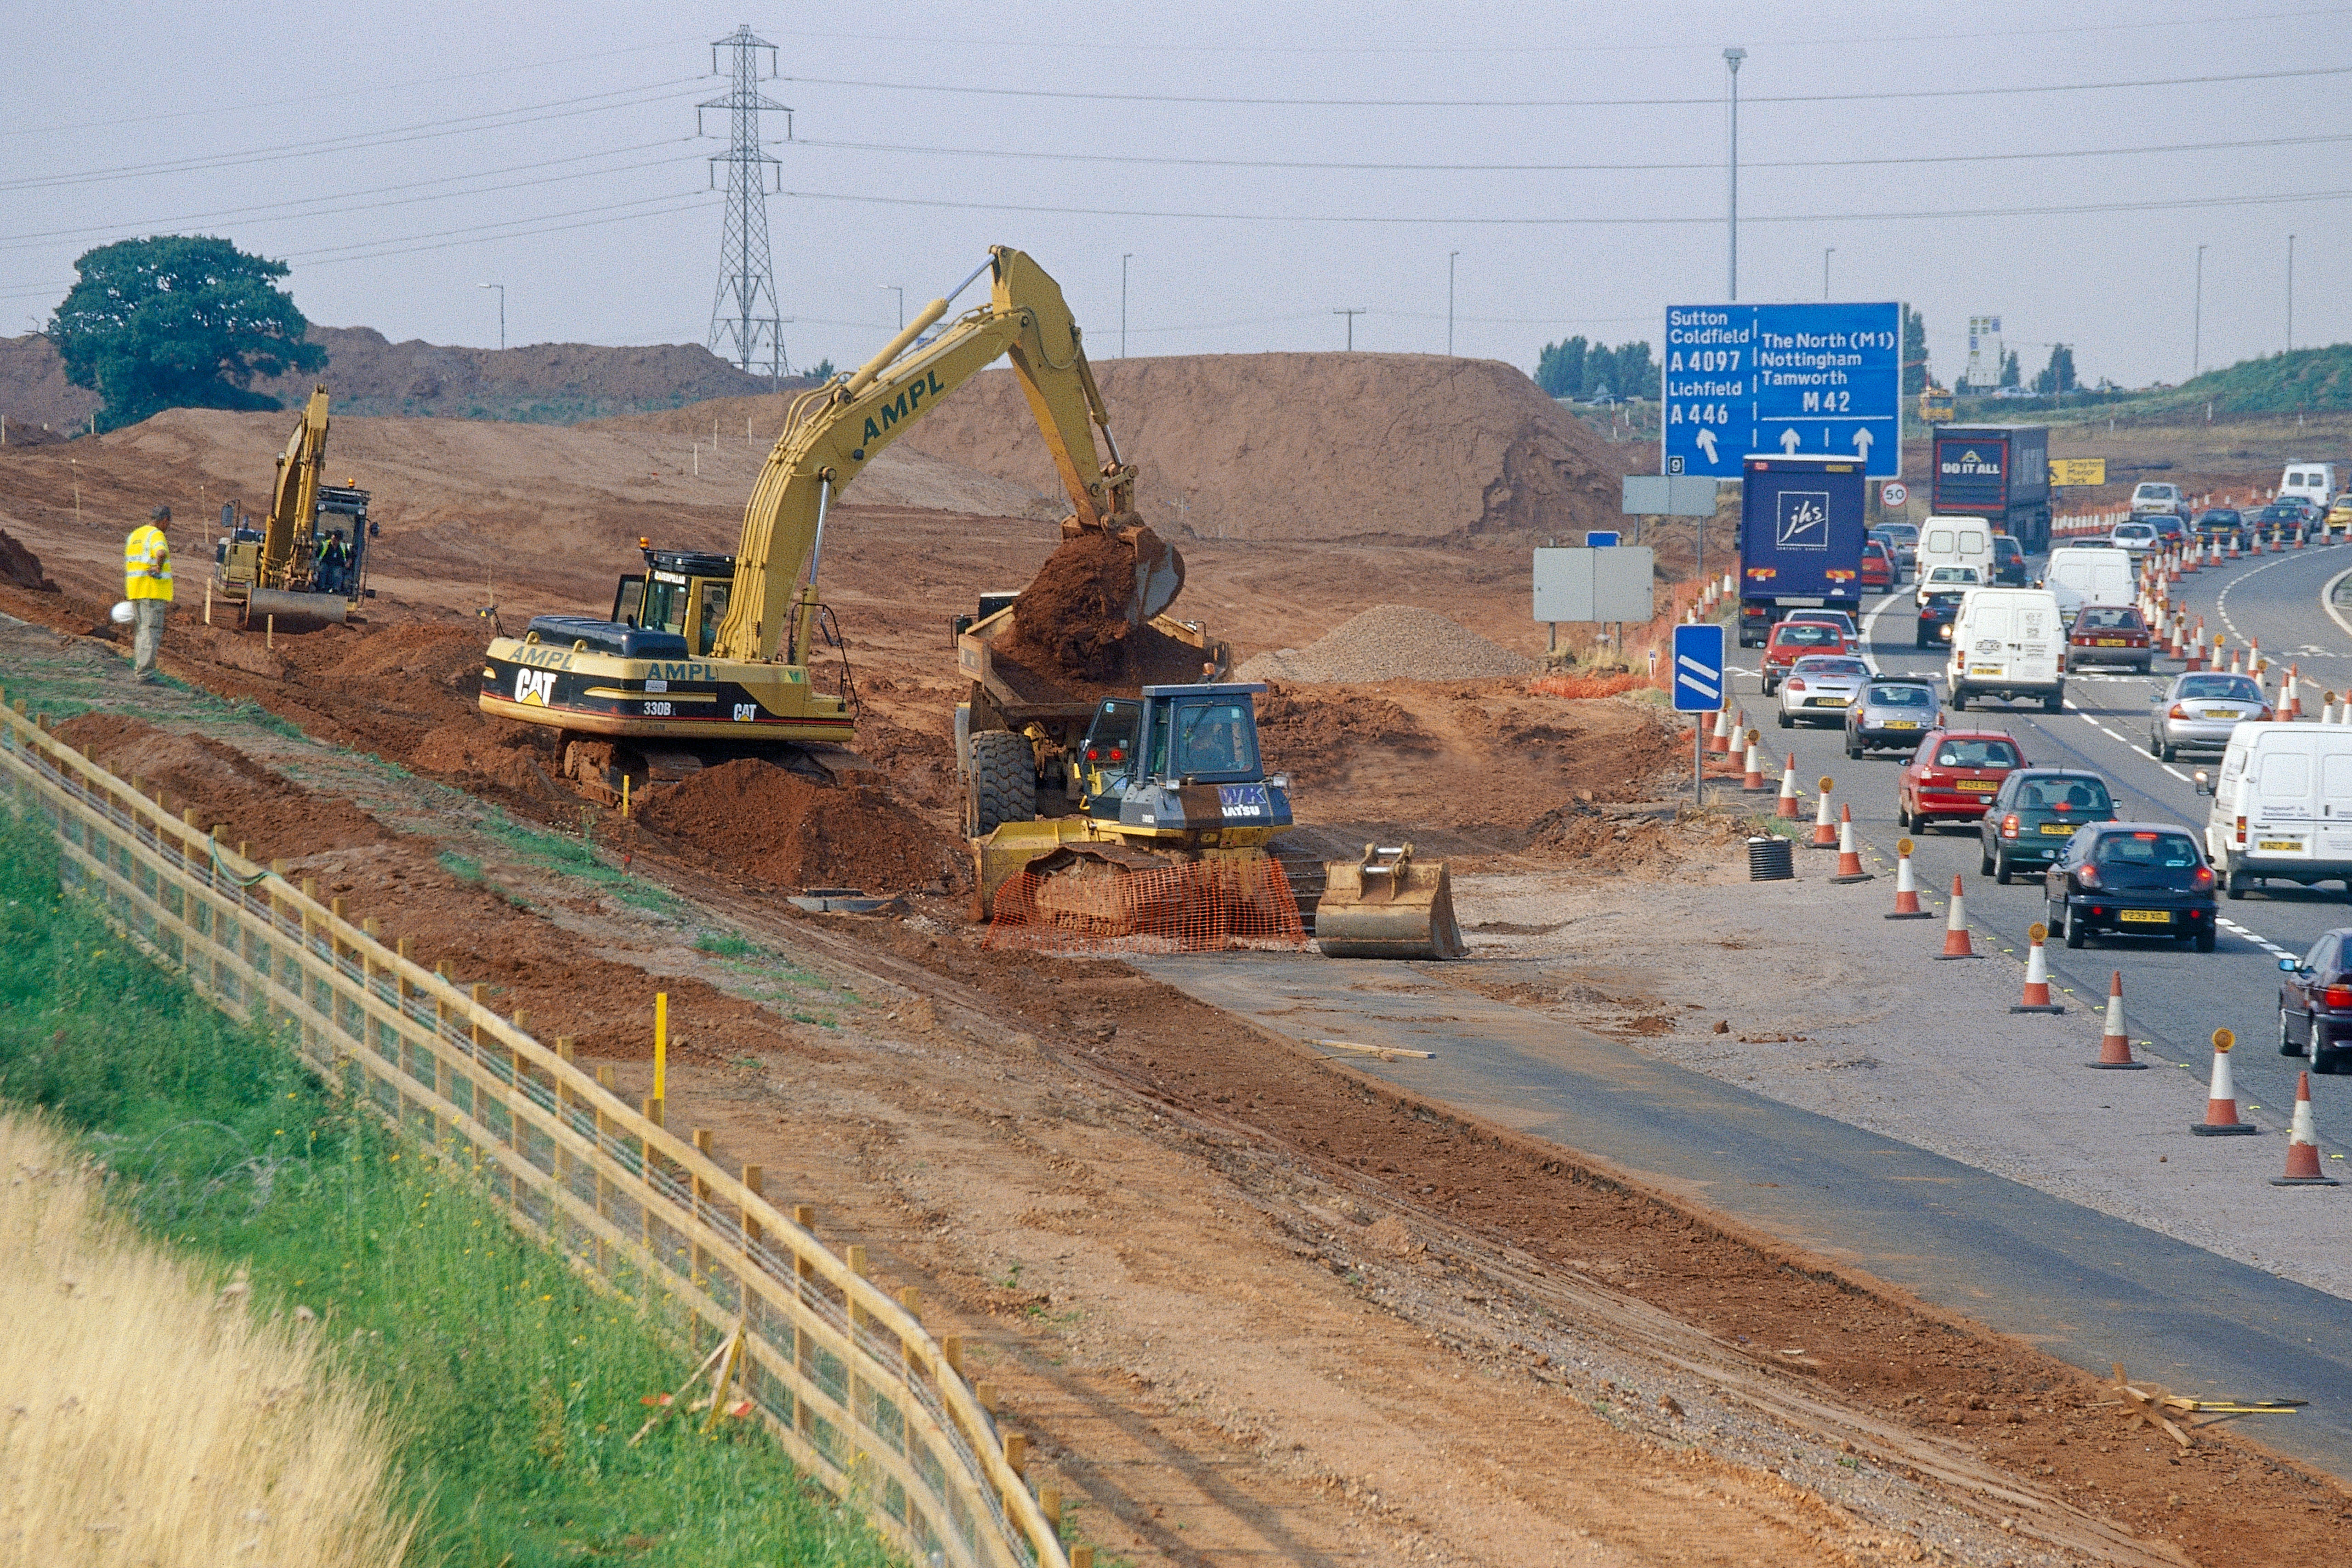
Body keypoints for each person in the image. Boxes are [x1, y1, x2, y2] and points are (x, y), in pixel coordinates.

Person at [123, 504, 173, 683]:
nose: (168, 527)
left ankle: (140, 670)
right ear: (165, 520)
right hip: (152, 592)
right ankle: (145, 675)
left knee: (142, 632)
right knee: (151, 633)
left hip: (135, 590)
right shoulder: (156, 534)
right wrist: (158, 568)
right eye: (168, 523)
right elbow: (161, 552)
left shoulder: (135, 535)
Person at [315, 530, 349, 596]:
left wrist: (348, 563)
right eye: (334, 538)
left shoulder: (343, 547)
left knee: (338, 571)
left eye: (337, 539)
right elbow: (317, 554)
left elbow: (349, 557)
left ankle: (336, 589)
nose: (335, 540)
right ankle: (322, 587)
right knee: (323, 569)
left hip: (337, 565)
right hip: (325, 563)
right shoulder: (325, 544)